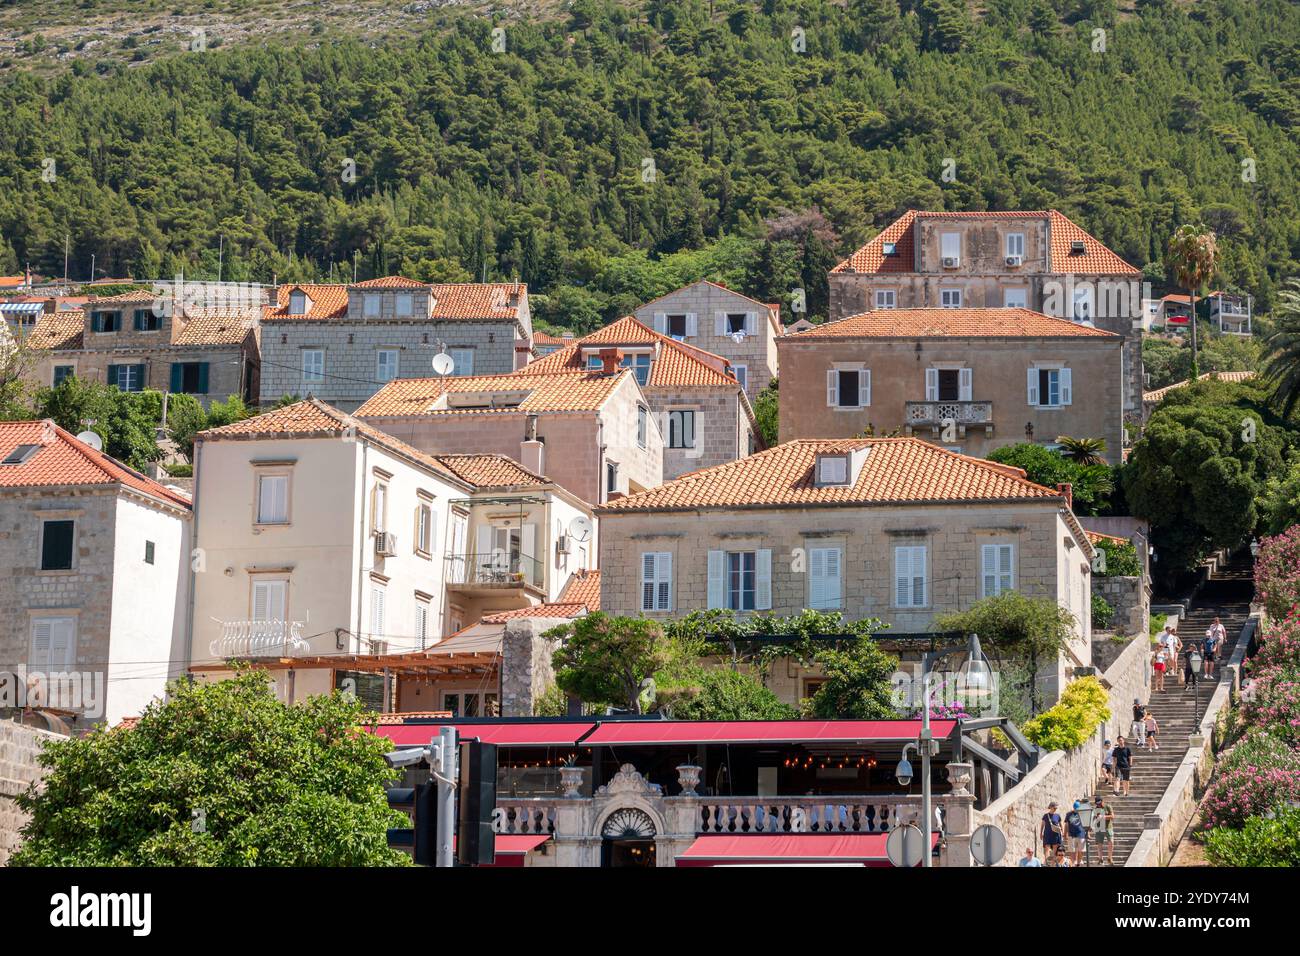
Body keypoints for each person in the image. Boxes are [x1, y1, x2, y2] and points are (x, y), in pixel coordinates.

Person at [1094, 795, 1116, 865]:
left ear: (1103, 801)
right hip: (1099, 828)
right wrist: (1096, 819)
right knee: (1099, 844)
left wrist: (1103, 817)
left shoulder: (1108, 807)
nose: (1099, 805)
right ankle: (1100, 859)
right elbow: (1094, 818)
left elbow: (1112, 816)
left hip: (1108, 827)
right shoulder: (1095, 809)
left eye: (1100, 803)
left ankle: (1109, 858)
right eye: (1097, 804)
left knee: (1111, 842)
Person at [1066, 801, 1086, 865]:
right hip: (1071, 834)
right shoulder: (1069, 814)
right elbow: (1066, 824)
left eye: (1077, 809)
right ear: (1073, 808)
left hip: (1081, 834)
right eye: (1075, 808)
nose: (1076, 810)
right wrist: (1065, 833)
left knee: (1081, 850)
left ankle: (1079, 862)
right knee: (1072, 851)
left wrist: (1087, 833)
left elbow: (1086, 824)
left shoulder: (1083, 814)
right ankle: (1073, 863)